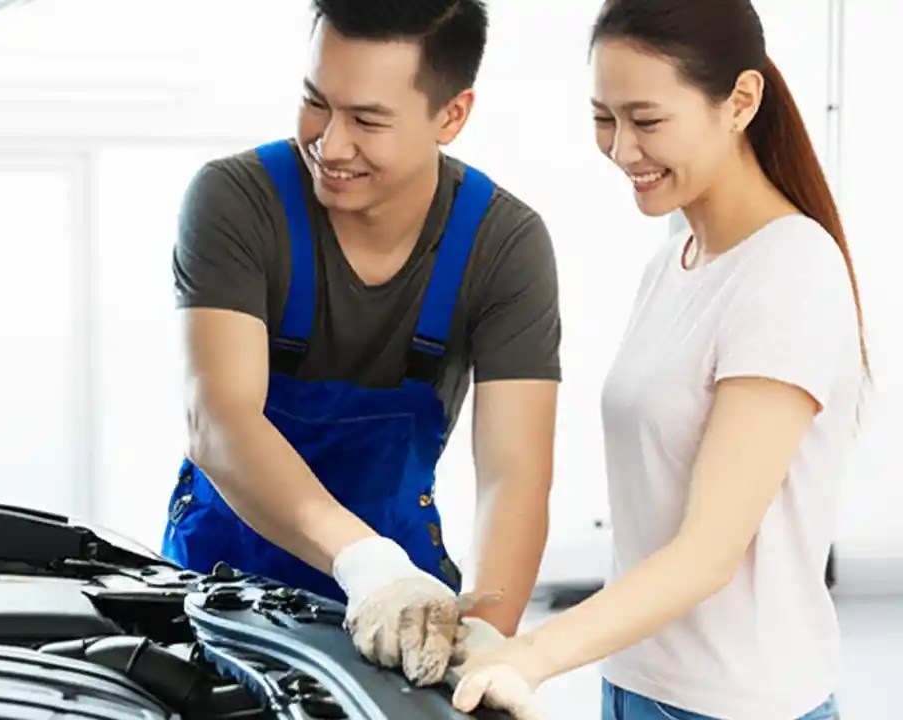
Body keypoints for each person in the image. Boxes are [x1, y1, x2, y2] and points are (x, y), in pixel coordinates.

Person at [447, 1, 867, 719]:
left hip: (741, 704)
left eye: (646, 120)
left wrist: (533, 654)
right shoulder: (672, 265)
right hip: (637, 684)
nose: (620, 148)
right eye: (602, 118)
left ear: (740, 102)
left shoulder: (790, 270)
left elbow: (709, 551)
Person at [161, 0, 562, 688]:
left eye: (368, 120)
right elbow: (219, 418)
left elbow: (513, 473)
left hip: (411, 613)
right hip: (222, 594)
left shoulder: (503, 245)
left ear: (452, 115)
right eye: (316, 102)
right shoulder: (236, 201)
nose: (331, 143)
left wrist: (492, 638)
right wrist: (365, 565)